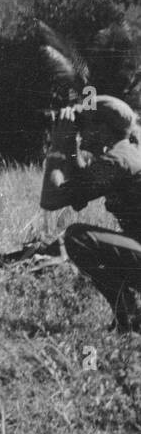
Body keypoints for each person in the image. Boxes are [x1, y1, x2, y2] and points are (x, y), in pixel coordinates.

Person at [39, 95, 141, 331]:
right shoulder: (127, 150)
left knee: (77, 237)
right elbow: (81, 186)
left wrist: (57, 150)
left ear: (102, 128)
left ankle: (128, 318)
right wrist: (72, 151)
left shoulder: (118, 161)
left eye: (83, 123)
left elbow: (51, 199)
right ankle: (130, 315)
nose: (80, 131)